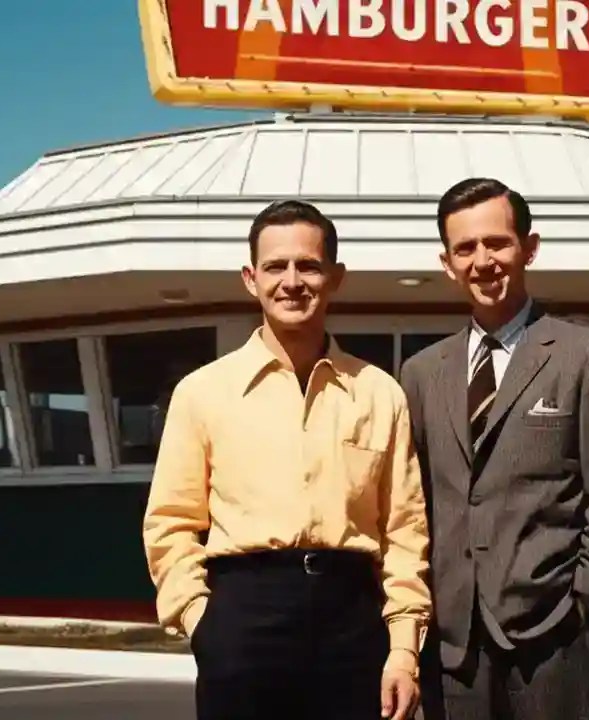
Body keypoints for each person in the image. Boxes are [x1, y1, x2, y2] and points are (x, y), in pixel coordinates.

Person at [143, 199, 430, 720]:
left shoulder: (379, 393)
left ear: (336, 277)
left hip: (353, 623)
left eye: (309, 265)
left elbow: (405, 531)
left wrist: (404, 649)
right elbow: (170, 523)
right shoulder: (203, 393)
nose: (292, 281)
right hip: (242, 620)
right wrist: (201, 620)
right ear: (250, 279)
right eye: (276, 266)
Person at [399, 178, 589, 720]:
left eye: (497, 243)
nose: (483, 261)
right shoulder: (421, 374)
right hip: (454, 648)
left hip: (554, 641)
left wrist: (581, 606)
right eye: (465, 248)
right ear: (446, 262)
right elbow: (415, 505)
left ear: (529, 248)